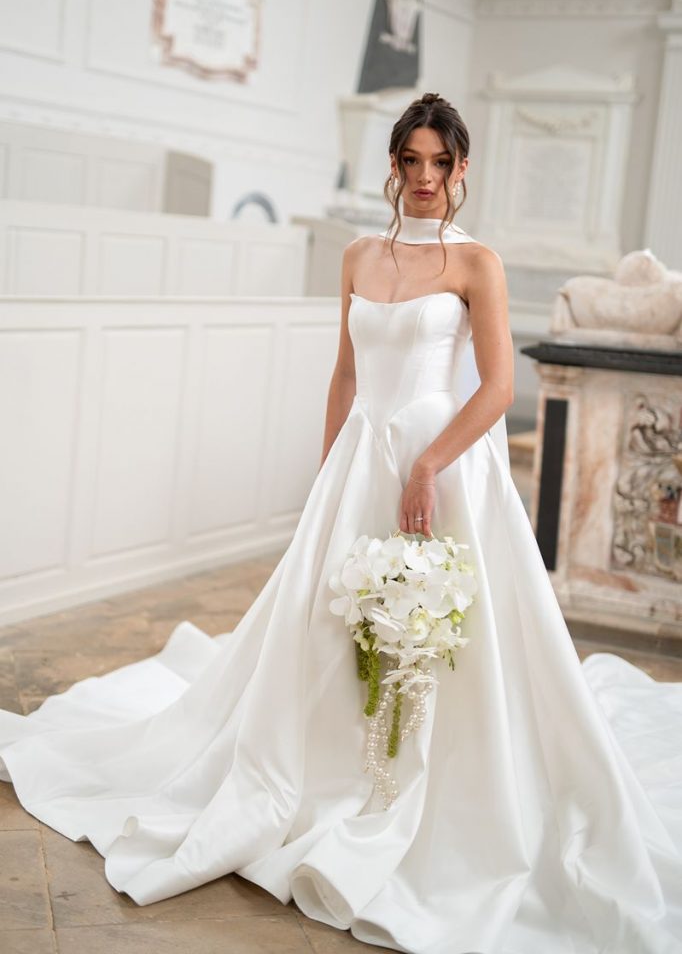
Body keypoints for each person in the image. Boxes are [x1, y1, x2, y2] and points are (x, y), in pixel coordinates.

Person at [1, 92, 681, 954]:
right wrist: (329, 477)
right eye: (411, 161)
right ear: (393, 166)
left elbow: (501, 389)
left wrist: (430, 463)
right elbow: (345, 375)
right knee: (327, 624)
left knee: (454, 640)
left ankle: (436, 788)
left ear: (463, 170)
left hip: (445, 468)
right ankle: (315, 771)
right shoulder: (360, 255)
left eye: (442, 162)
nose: (426, 177)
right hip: (363, 462)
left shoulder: (479, 265)